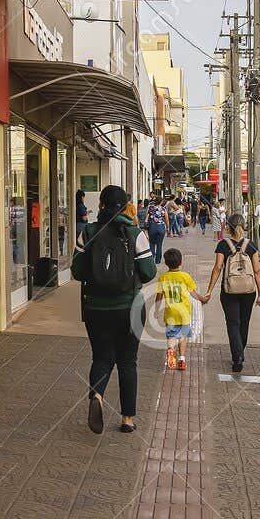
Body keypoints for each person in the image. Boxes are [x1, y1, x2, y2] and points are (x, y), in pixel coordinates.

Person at [71, 184, 157, 434]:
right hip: (130, 307)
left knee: (101, 357)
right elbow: (149, 272)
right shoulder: (135, 233)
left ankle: (96, 396)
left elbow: (76, 272)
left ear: (101, 205)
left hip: (95, 308)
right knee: (128, 362)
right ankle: (127, 419)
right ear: (126, 206)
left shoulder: (88, 232)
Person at [206, 213, 260, 373]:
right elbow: (257, 271)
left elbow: (217, 268)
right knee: (244, 323)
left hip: (229, 290)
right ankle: (240, 352)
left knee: (232, 323)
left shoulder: (223, 245)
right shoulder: (251, 246)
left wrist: (209, 290)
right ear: (243, 226)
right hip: (249, 290)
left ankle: (236, 355)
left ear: (229, 227)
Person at [154, 247, 209, 371]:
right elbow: (193, 293)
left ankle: (170, 351)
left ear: (166, 263)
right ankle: (182, 359)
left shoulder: (163, 278)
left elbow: (159, 296)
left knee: (171, 336)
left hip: (170, 313)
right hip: (184, 313)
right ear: (180, 262)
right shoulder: (185, 276)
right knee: (183, 336)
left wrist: (156, 310)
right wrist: (202, 299)